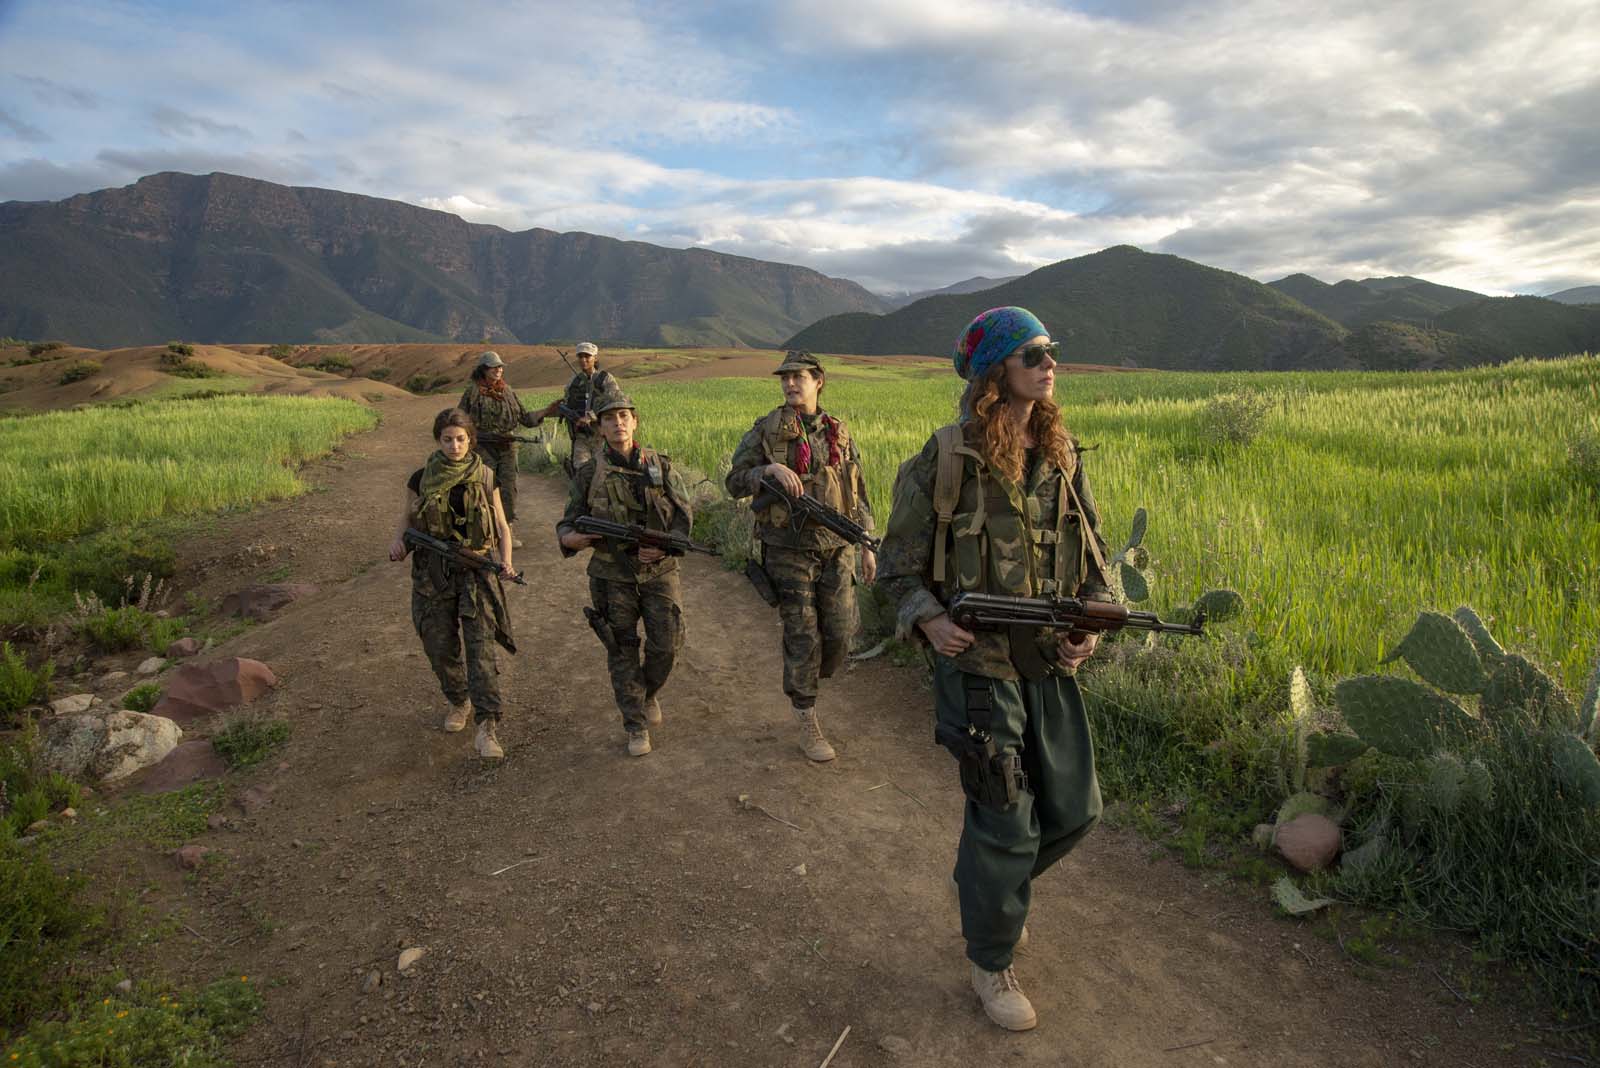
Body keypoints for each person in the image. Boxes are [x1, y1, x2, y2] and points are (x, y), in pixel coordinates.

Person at [876, 306, 1112, 1032]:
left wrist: (1092, 627)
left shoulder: (1063, 458)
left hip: (1047, 662)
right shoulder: (946, 458)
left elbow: (1099, 562)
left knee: (1077, 809)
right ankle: (990, 955)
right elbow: (895, 566)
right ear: (995, 372)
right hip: (976, 664)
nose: (1049, 365)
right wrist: (931, 617)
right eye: (1033, 354)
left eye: (1051, 352)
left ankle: (990, 889)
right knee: (1005, 818)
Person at [724, 351, 876, 763]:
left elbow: (858, 490)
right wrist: (766, 473)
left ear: (818, 381)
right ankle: (806, 713)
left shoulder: (838, 432)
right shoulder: (765, 431)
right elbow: (733, 481)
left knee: (841, 633)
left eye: (799, 377)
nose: (790, 384)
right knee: (802, 634)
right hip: (788, 550)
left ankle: (809, 679)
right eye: (785, 378)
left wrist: (866, 543)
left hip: (837, 548)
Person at [556, 392, 692, 758]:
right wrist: (572, 538)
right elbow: (568, 522)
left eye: (624, 416)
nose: (618, 423)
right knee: (622, 650)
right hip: (610, 574)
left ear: (635, 422)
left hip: (659, 571)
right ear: (600, 428)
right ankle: (635, 724)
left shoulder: (660, 467)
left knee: (667, 645)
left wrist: (666, 546)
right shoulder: (588, 473)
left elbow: (683, 519)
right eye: (609, 418)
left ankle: (648, 692)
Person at [388, 407, 519, 760]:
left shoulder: (486, 476)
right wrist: (398, 543)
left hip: (476, 570)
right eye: (447, 439)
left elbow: (503, 526)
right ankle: (458, 699)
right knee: (438, 644)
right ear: (438, 440)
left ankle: (487, 726)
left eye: (461, 439)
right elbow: (405, 518)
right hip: (433, 573)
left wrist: (505, 561)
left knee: (481, 650)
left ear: (470, 440)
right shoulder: (420, 478)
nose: (455, 445)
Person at [457, 350, 542, 548]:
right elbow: (460, 419)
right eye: (494, 367)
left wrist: (547, 411)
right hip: (483, 448)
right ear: (484, 370)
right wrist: (468, 440)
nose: (498, 370)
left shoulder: (508, 391)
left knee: (508, 489)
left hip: (508, 447)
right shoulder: (472, 392)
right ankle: (486, 530)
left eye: (500, 367)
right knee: (486, 487)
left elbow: (524, 417)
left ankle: (507, 529)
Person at [537, 341, 616, 481]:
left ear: (595, 358)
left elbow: (614, 402)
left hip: (601, 436)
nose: (583, 360)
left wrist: (591, 417)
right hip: (580, 438)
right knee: (581, 475)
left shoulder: (605, 379)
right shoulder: (573, 382)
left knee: (603, 475)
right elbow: (566, 402)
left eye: (587, 356)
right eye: (580, 356)